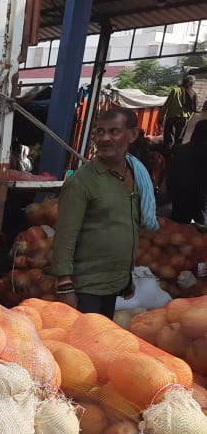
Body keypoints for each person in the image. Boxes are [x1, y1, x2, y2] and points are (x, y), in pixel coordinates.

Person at [50, 107, 158, 317]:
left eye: (114, 131)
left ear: (132, 135)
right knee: (86, 344)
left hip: (114, 283)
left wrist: (126, 277)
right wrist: (65, 285)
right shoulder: (81, 182)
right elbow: (65, 235)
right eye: (100, 132)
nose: (104, 138)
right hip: (86, 287)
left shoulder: (135, 174)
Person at [167, 120, 207, 225]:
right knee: (200, 230)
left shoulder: (179, 150)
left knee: (176, 226)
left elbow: (171, 176)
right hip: (199, 200)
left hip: (178, 197)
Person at [161, 74, 198, 150]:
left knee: (169, 140)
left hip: (172, 118)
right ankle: (175, 158)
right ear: (192, 84)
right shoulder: (193, 93)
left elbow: (166, 105)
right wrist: (188, 119)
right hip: (184, 119)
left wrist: (161, 117)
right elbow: (193, 109)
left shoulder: (175, 90)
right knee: (179, 141)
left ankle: (167, 158)